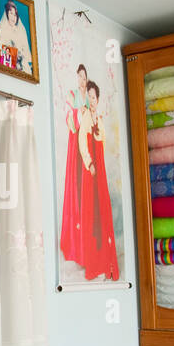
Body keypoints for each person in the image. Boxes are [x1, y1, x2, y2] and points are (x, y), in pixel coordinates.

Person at [77, 80, 120, 280]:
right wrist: (90, 163)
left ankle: (106, 259)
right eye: (89, 97)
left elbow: (101, 139)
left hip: (100, 170)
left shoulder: (98, 118)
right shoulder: (86, 117)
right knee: (92, 211)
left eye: (94, 97)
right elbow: (82, 144)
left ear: (98, 99)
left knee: (103, 210)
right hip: (92, 170)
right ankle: (93, 261)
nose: (91, 101)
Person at [58, 64, 90, 263]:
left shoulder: (90, 96)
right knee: (76, 185)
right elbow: (70, 120)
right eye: (79, 76)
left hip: (86, 142)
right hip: (75, 142)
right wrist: (77, 115)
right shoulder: (72, 95)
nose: (81, 80)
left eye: (83, 76)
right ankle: (74, 241)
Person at [0, 0, 32, 73]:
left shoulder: (20, 31)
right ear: (6, 14)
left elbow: (25, 50)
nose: (13, 17)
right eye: (11, 13)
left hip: (22, 65)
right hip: (9, 64)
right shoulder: (3, 30)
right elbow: (1, 52)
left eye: (15, 15)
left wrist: (21, 55)